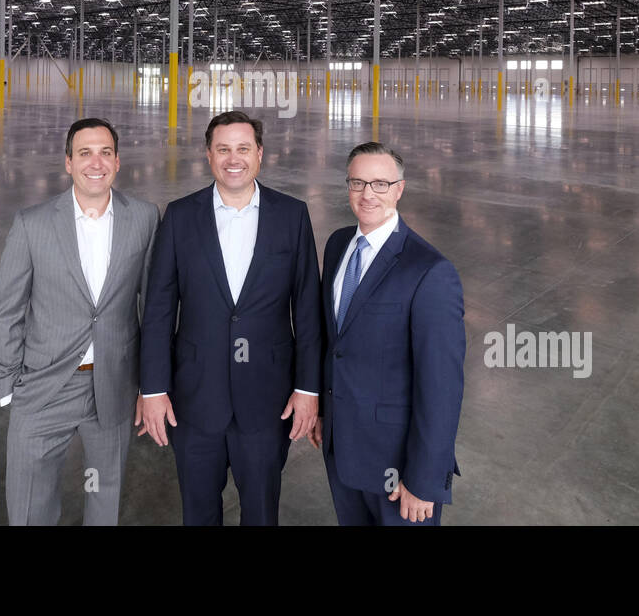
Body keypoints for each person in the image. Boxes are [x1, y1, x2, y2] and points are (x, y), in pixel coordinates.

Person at [139, 110, 322, 525]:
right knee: (198, 512)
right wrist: (153, 389)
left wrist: (308, 388)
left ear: (260, 155)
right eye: (223, 149)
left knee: (260, 512)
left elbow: (308, 309)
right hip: (193, 399)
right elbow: (159, 309)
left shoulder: (291, 215)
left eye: (243, 148)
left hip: (267, 400)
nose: (233, 158)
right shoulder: (181, 215)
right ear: (208, 156)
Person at [0, 117, 160, 525]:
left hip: (114, 384)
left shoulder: (145, 218)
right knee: (29, 503)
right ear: (68, 163)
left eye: (105, 152)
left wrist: (151, 386)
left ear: (118, 162)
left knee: (105, 495)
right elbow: (5, 309)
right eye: (84, 153)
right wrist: (9, 383)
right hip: (43, 385)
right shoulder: (33, 223)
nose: (95, 162)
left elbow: (154, 309)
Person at [311, 141, 465, 525]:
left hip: (398, 470)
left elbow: (442, 386)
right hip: (342, 450)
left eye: (380, 184)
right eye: (358, 182)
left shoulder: (429, 271)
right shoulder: (337, 246)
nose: (368, 194)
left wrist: (424, 480)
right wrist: (321, 411)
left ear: (400, 188)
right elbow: (336, 345)